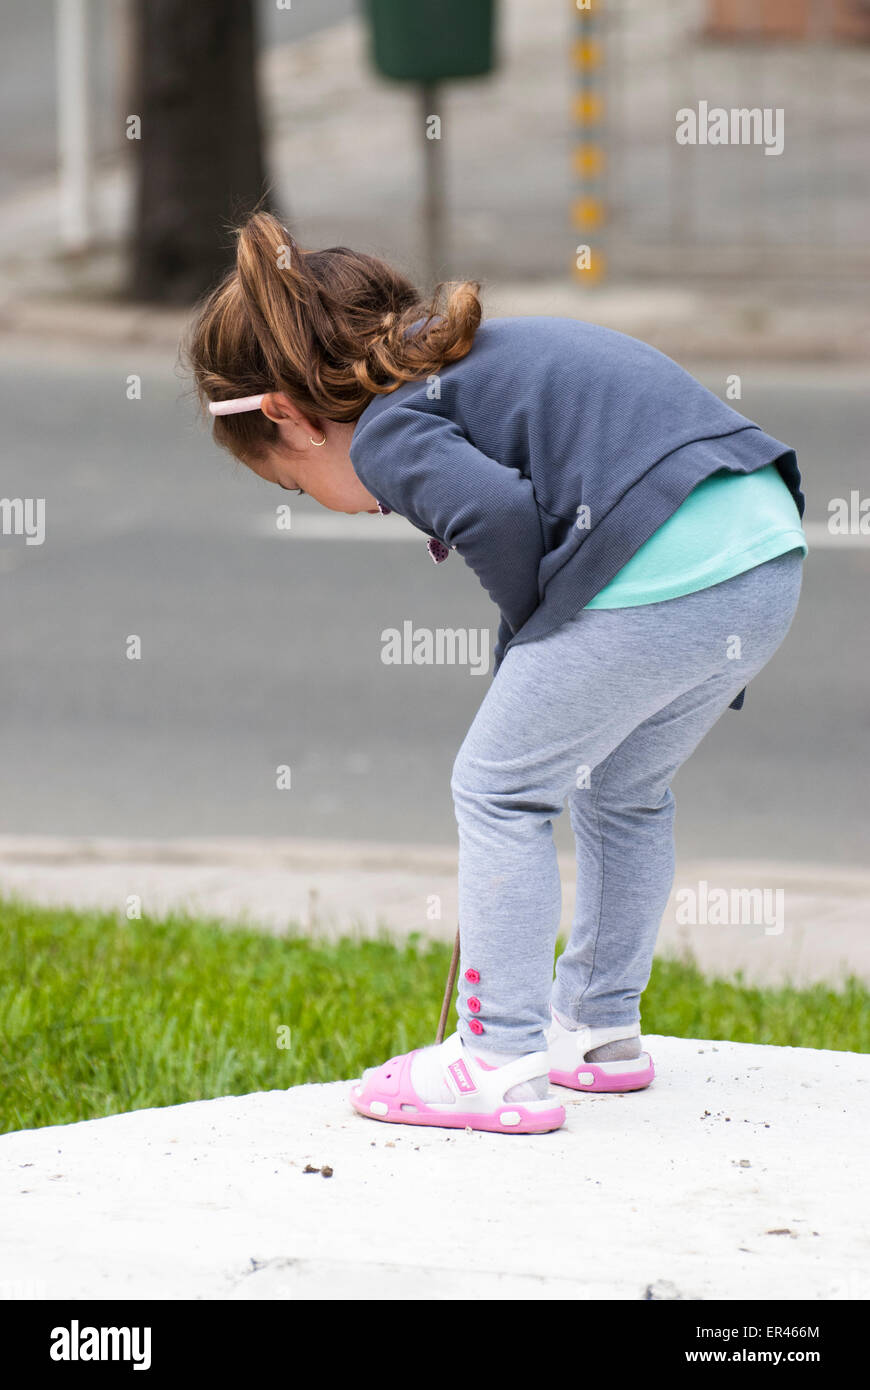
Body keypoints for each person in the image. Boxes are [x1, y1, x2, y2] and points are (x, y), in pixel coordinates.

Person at [184, 210, 807, 1136]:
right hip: (762, 551)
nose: (330, 504)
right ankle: (596, 1031)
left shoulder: (393, 430)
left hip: (662, 560)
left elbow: (500, 517)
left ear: (288, 416)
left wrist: (527, 630)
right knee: (625, 789)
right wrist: (538, 633)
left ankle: (498, 1056)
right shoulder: (465, 372)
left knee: (500, 789)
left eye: (292, 484)